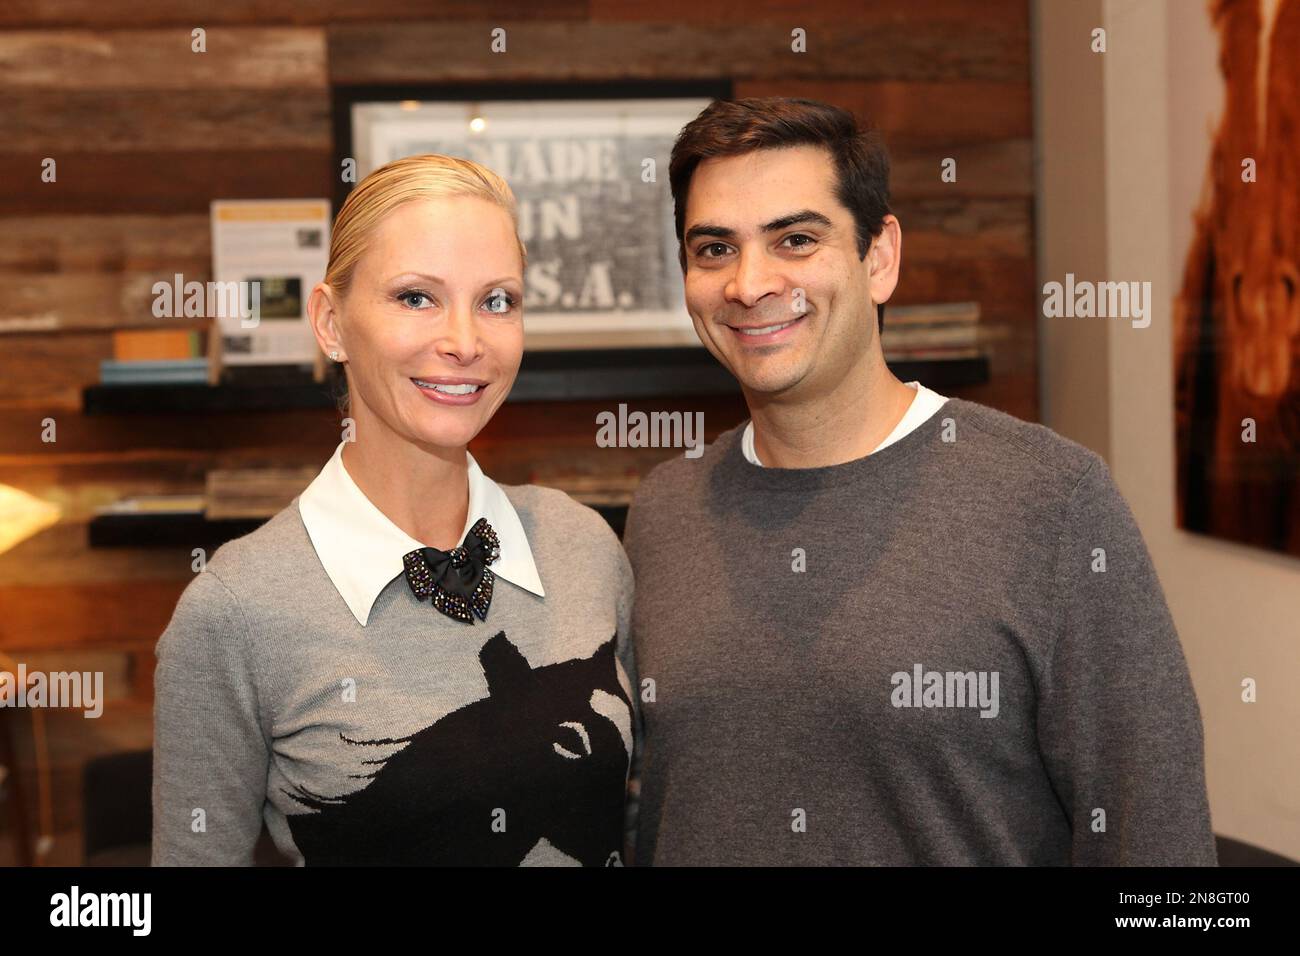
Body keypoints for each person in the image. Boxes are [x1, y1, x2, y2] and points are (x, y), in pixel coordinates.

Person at [622, 97, 1218, 865]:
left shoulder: (1053, 501)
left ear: (879, 258)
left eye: (795, 239)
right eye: (713, 250)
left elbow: (1159, 844)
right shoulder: (664, 510)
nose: (749, 283)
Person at [152, 154, 637, 866]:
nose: (466, 342)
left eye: (496, 300)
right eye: (416, 297)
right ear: (331, 322)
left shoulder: (582, 545)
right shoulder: (234, 612)